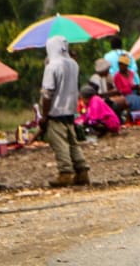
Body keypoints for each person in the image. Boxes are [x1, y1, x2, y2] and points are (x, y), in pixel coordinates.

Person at [38, 35, 89, 187]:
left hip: (56, 110)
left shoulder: (52, 66)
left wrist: (44, 115)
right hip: (70, 109)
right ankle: (82, 171)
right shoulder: (74, 64)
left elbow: (47, 93)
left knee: (59, 143)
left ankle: (65, 173)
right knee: (73, 141)